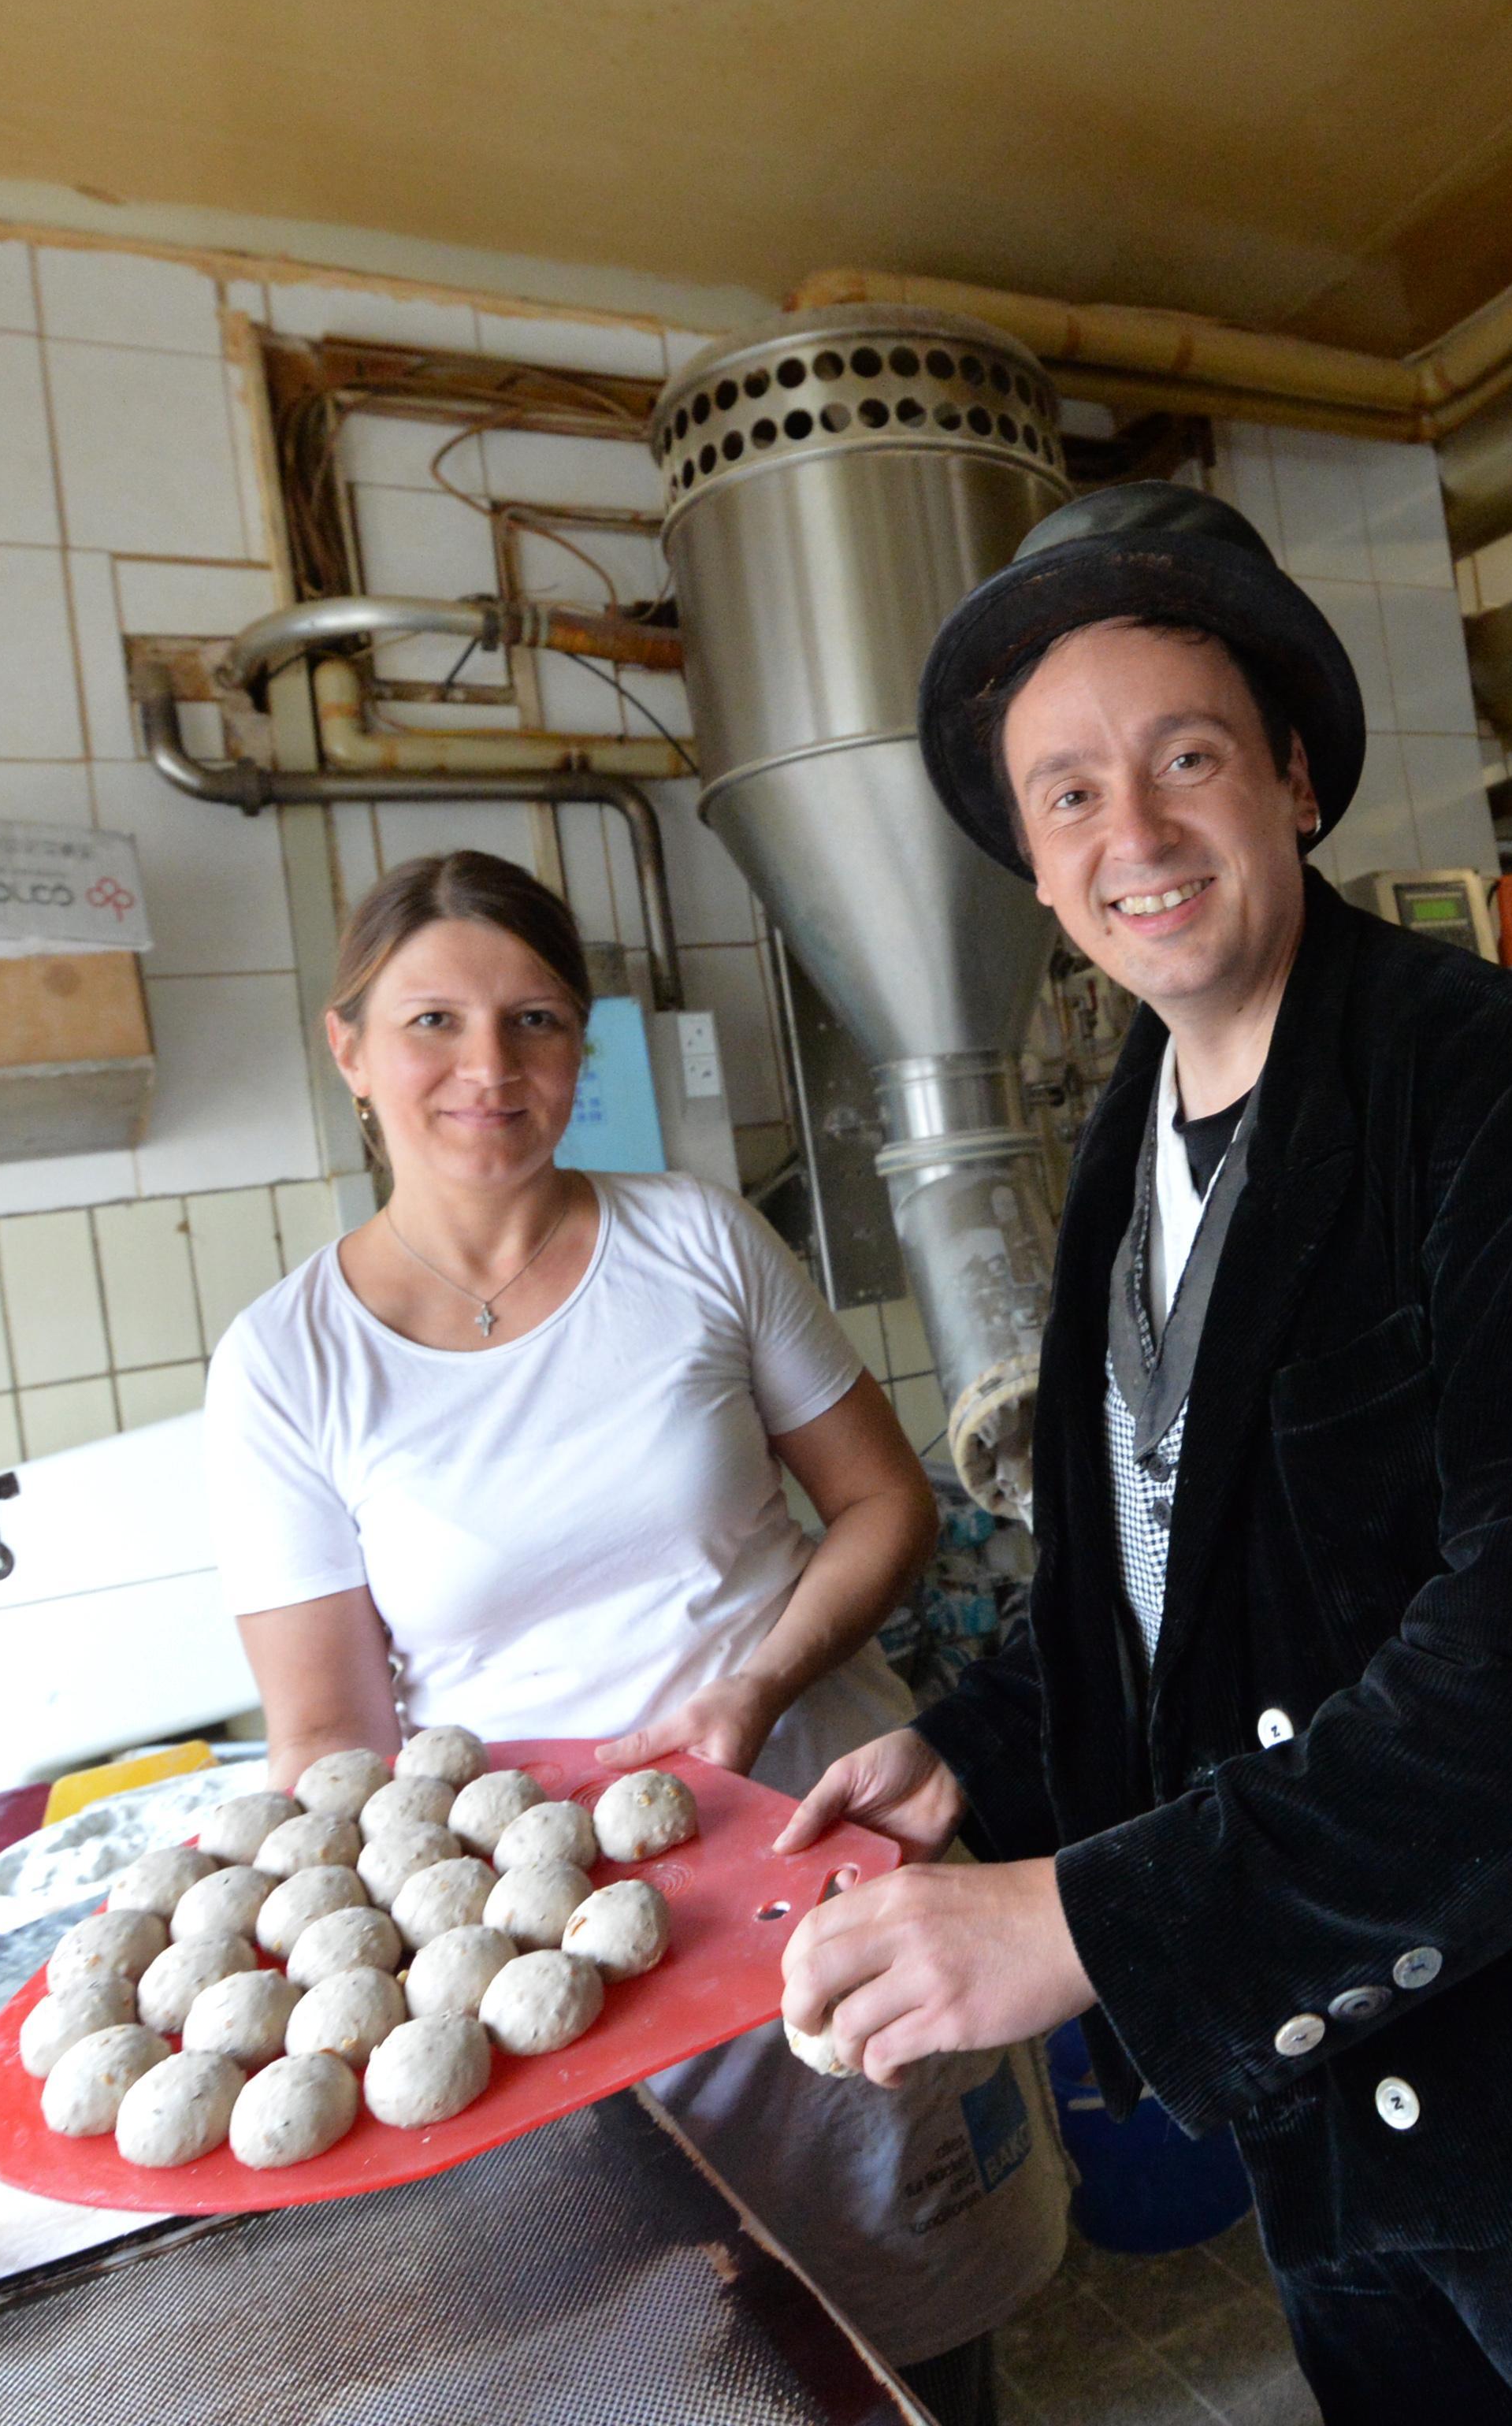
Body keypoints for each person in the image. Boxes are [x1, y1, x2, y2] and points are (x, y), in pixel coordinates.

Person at [768, 483, 1512, 2424]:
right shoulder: (1128, 1148)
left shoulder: (1509, 1094)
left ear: (1291, 776)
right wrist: (979, 1751)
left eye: (1185, 756)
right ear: (1033, 865)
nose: (1134, 831)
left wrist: (1087, 1918)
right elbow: (1163, 1570)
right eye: (1070, 793)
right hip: (1328, 2092)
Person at [201, 849, 1064, 2420]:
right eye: (433, 1021)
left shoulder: (696, 1242)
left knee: (920, 2349)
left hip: (817, 1856)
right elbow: (329, 1740)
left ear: (581, 1046)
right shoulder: (289, 1362)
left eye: (534, 1020)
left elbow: (883, 1503)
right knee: (662, 2367)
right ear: (349, 1050)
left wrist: (760, 1679)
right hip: (545, 1967)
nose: (488, 1066)